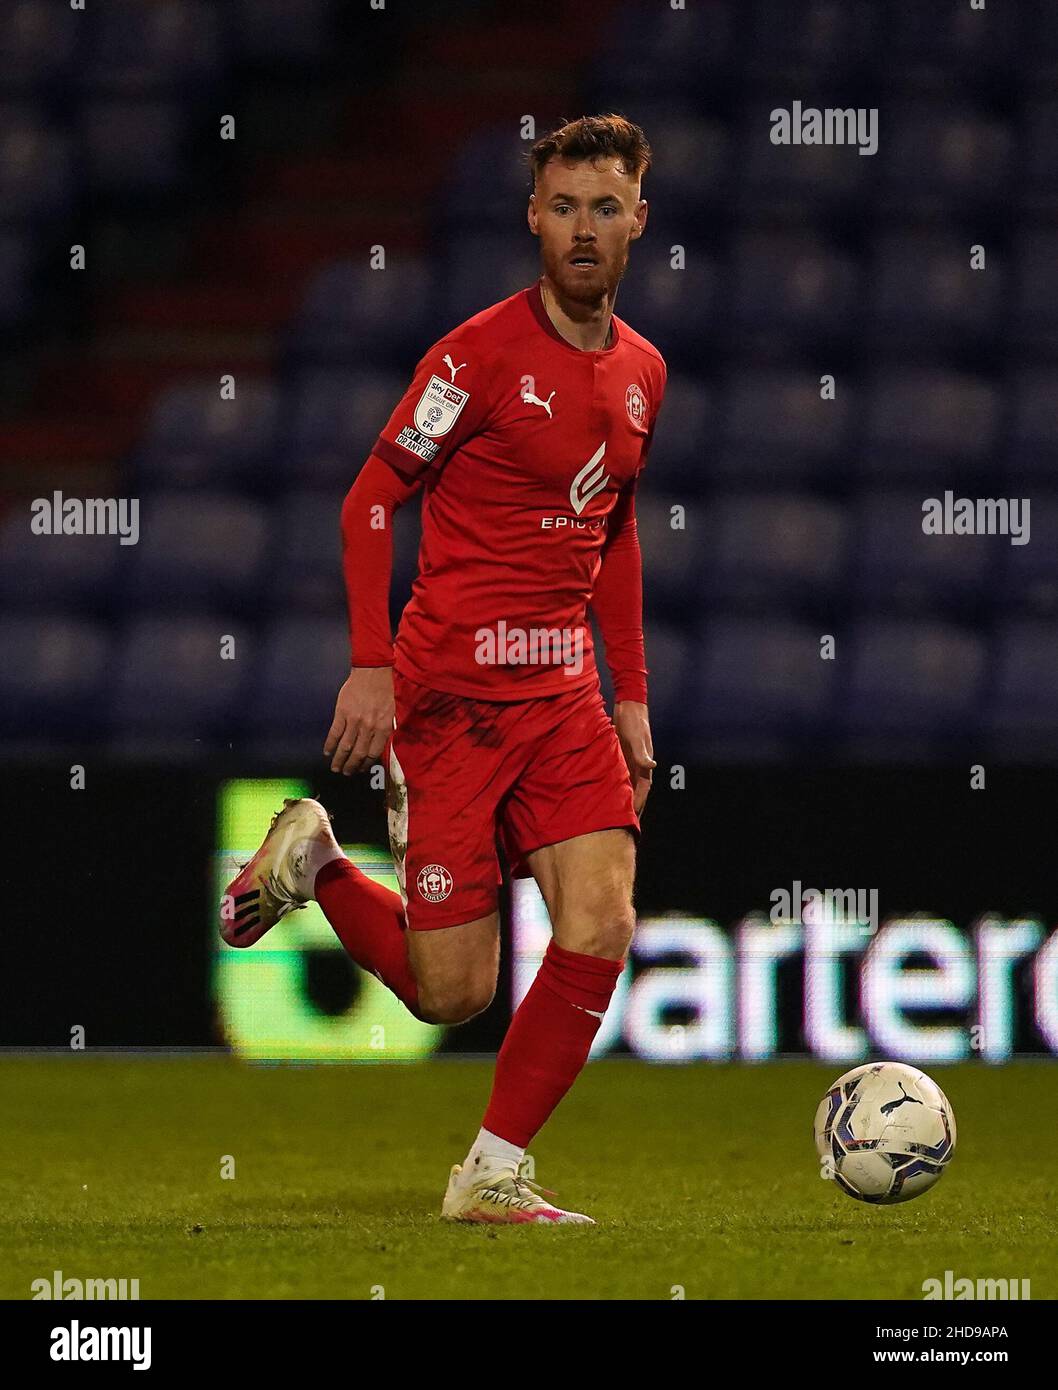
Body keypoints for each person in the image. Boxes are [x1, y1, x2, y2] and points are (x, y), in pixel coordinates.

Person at [221, 113, 667, 1224]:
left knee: (602, 918)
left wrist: (630, 695)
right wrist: (370, 665)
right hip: (450, 702)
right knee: (449, 992)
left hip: (561, 694)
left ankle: (490, 1172)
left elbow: (610, 532)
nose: (581, 229)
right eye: (561, 206)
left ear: (636, 222)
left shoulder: (644, 373)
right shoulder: (472, 358)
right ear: (532, 218)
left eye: (603, 208)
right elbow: (370, 498)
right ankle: (318, 862)